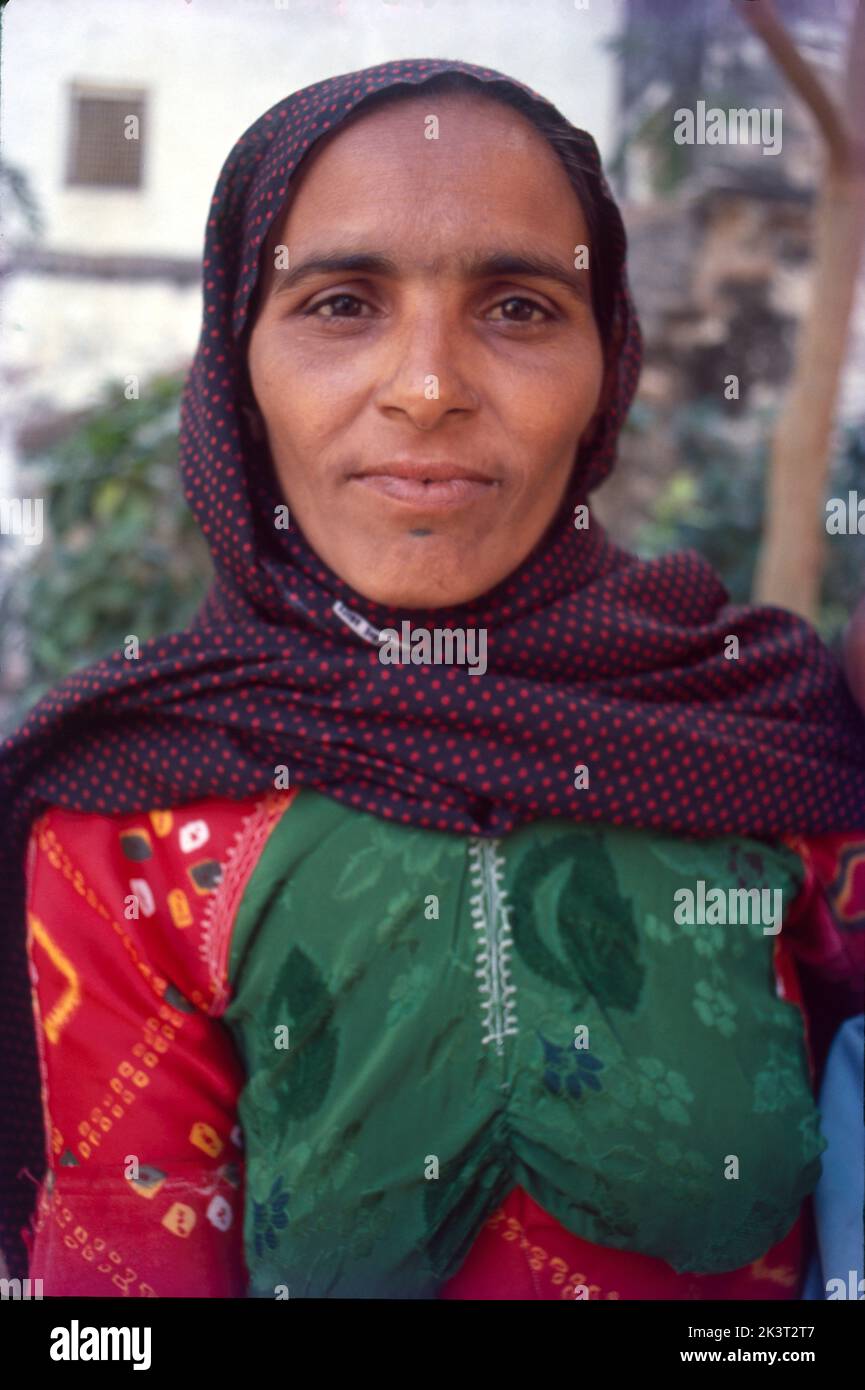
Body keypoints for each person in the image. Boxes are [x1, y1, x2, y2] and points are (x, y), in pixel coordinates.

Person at [1, 57, 864, 1301]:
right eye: (341, 303)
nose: (426, 387)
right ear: (236, 366)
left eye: (518, 308)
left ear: (604, 365)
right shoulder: (127, 821)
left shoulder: (760, 737)